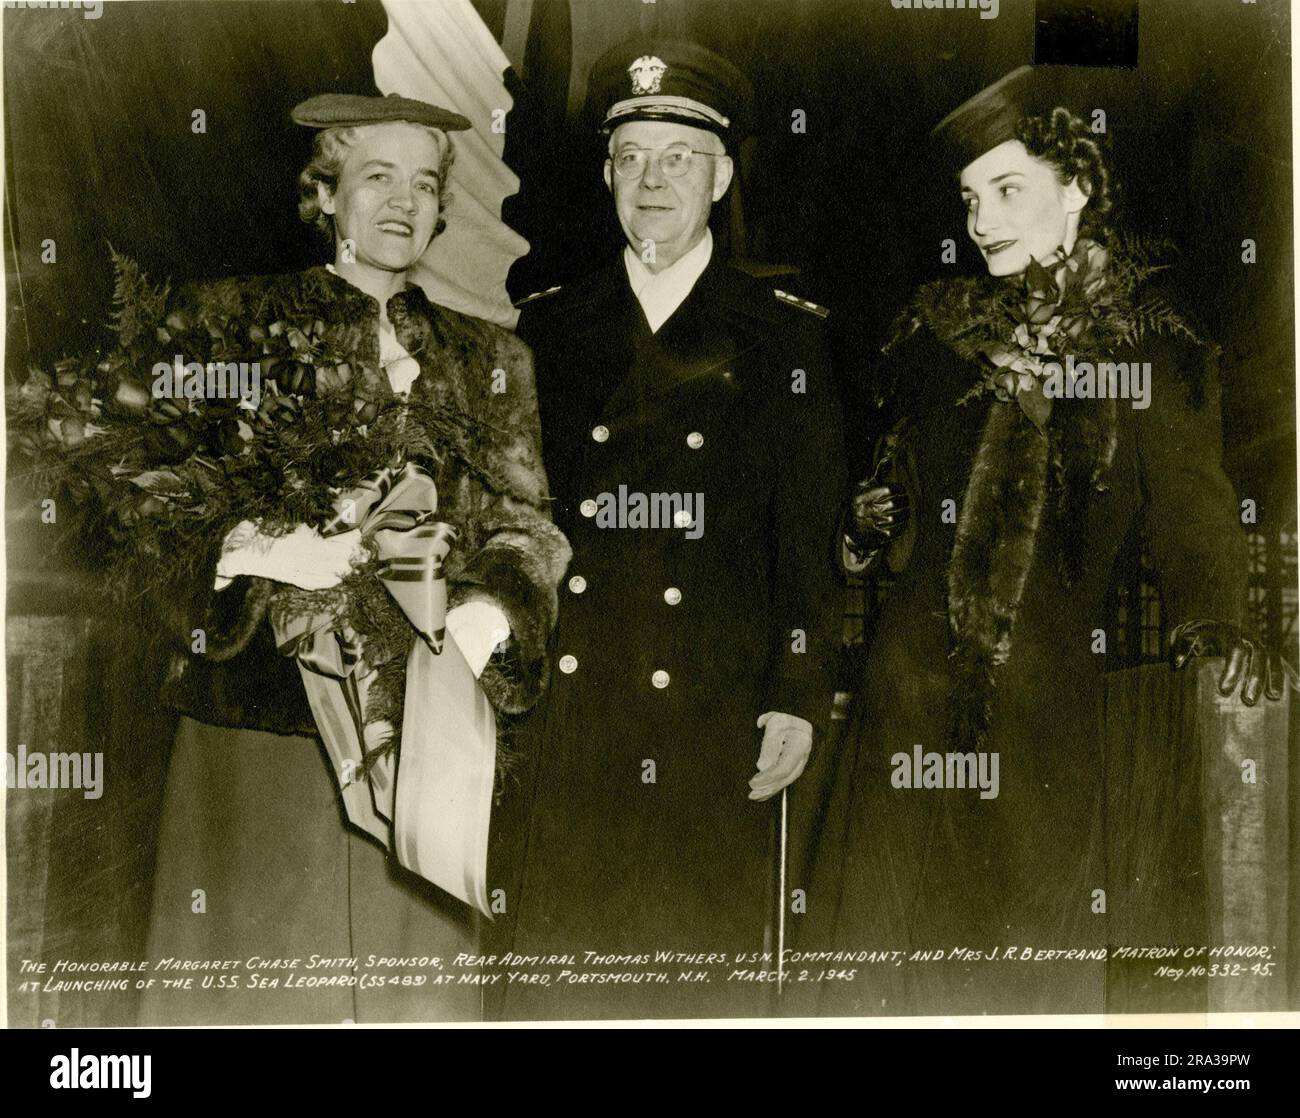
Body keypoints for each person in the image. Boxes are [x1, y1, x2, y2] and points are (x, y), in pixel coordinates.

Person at [812, 66, 1286, 1019]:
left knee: (1018, 975)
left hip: (1041, 729)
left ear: (1078, 189)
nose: (981, 220)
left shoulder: (1146, 347)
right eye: (969, 198)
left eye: (1007, 190)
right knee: (870, 974)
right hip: (902, 712)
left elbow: (1193, 508)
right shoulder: (936, 336)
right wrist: (863, 530)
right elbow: (893, 501)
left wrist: (1215, 621)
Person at [138, 92, 570, 1025]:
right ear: (326, 192)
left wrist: (486, 615)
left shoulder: (490, 356)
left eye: (425, 184)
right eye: (377, 177)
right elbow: (148, 505)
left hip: (423, 737)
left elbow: (525, 526)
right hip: (260, 729)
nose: (404, 202)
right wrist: (251, 550)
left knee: (410, 996)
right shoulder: (229, 327)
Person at [498, 38, 846, 1020]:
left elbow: (808, 535)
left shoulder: (785, 333)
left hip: (713, 707)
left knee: (699, 976)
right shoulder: (544, 329)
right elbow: (508, 517)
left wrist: (796, 691)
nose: (653, 182)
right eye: (632, 157)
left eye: (678, 158)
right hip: (571, 710)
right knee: (557, 977)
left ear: (721, 177)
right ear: (607, 174)